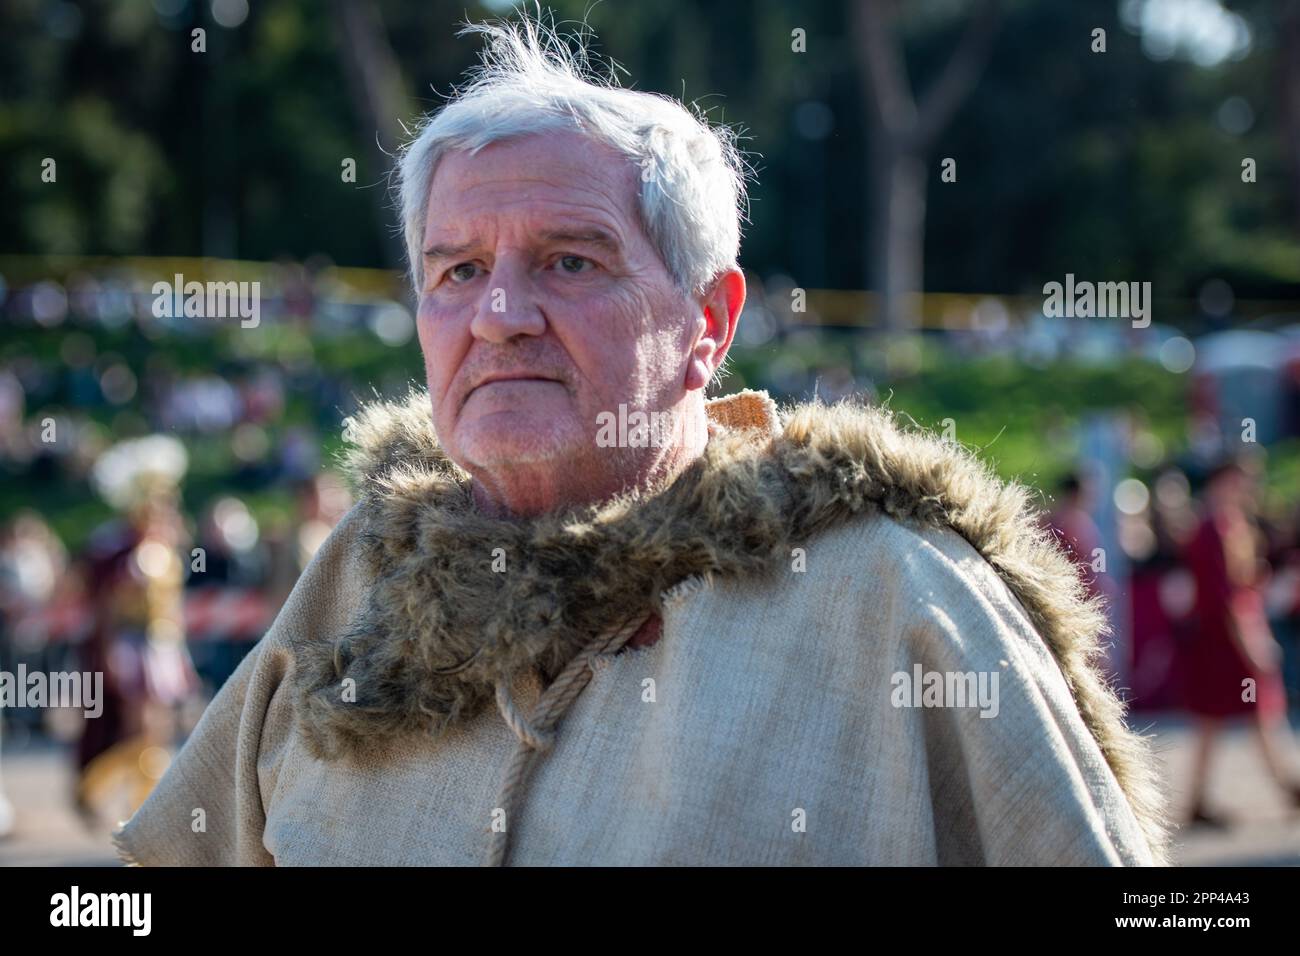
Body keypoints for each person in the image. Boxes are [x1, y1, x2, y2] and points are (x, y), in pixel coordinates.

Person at [113, 11, 1166, 866]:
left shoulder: (891, 595)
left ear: (708, 324)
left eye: (570, 261)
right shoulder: (360, 572)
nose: (499, 314)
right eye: (457, 269)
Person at [1182, 458, 1300, 826]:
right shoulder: (1212, 529)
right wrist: (1250, 643)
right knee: (1228, 715)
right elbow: (1222, 597)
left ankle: (1285, 783)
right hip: (1225, 639)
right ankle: (1285, 784)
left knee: (1254, 713)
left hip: (1234, 632)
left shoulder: (1233, 526)